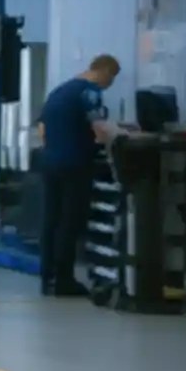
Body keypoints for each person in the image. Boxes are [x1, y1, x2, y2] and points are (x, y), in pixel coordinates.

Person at [36, 54, 122, 296]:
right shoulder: (89, 92)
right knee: (70, 222)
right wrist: (120, 135)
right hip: (75, 165)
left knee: (51, 220)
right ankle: (64, 281)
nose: (110, 84)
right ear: (104, 71)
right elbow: (100, 129)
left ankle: (48, 278)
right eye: (112, 78)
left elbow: (41, 129)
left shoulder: (59, 92)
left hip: (50, 162)